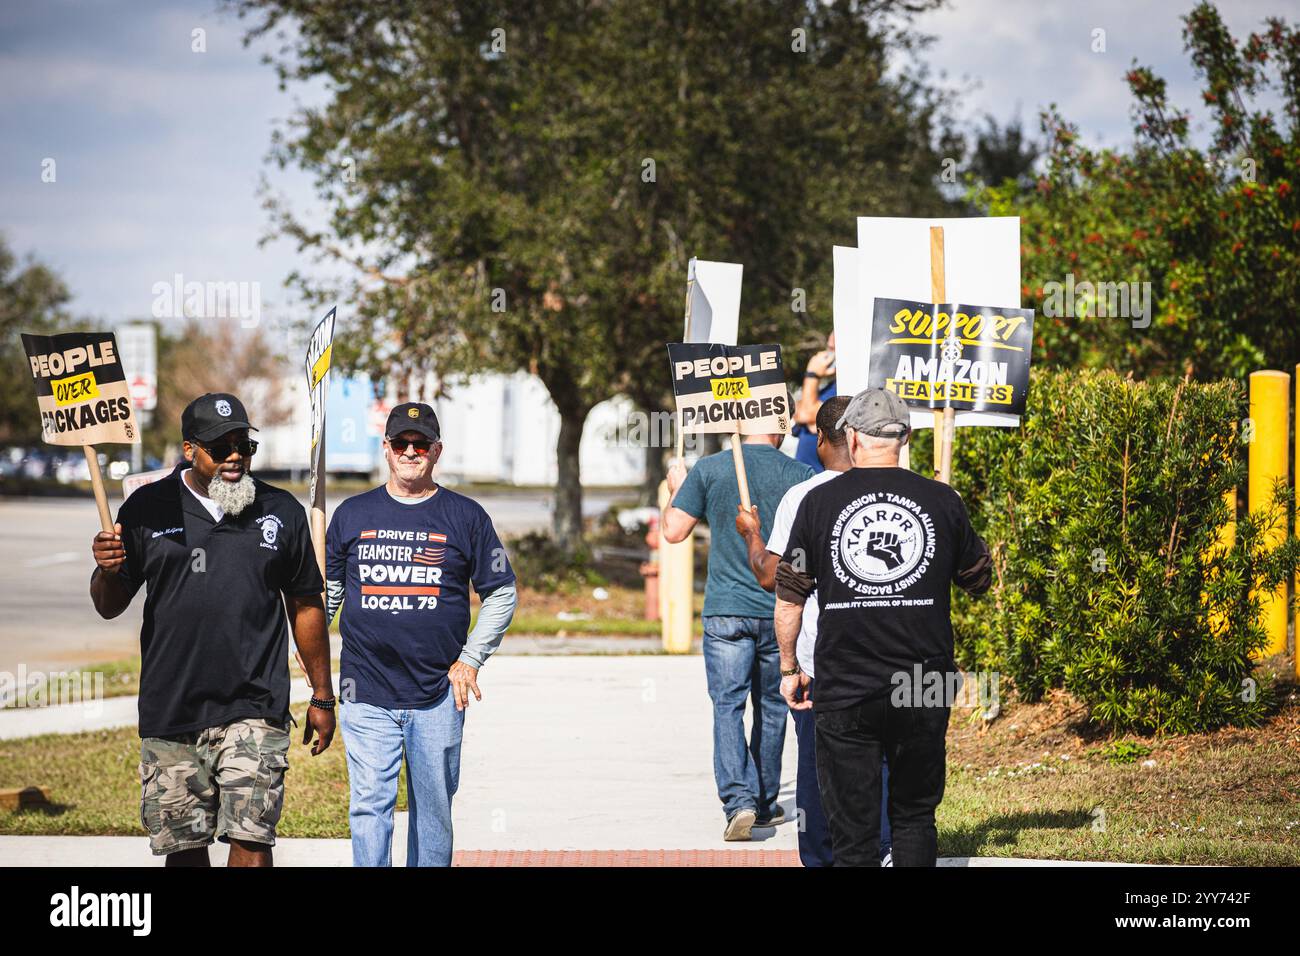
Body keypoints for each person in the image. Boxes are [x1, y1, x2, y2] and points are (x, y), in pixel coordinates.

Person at [90, 392, 335, 867]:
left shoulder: (279, 510)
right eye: (220, 447)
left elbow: (305, 604)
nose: (235, 457)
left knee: (252, 839)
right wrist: (106, 568)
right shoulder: (146, 508)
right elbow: (109, 604)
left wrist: (322, 696)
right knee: (183, 850)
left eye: (243, 444)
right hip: (172, 706)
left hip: (254, 704)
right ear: (189, 450)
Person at [774, 388, 992, 866]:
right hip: (924, 684)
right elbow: (979, 579)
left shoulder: (817, 502)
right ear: (906, 437)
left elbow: (789, 596)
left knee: (852, 828)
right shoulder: (942, 499)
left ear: (851, 438)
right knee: (915, 816)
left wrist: (789, 667)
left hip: (845, 683)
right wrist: (949, 523)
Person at [326, 402, 517, 867]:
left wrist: (471, 659)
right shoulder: (351, 514)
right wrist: (294, 642)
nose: (411, 452)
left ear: (437, 451)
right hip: (365, 689)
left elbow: (501, 592)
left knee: (433, 812)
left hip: (438, 694)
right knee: (370, 805)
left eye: (421, 444)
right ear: (386, 449)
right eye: (401, 443)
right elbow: (325, 598)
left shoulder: (466, 516)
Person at [735, 395, 892, 867]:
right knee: (884, 764)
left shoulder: (805, 497)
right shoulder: (899, 492)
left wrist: (752, 535)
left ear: (823, 440)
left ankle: (823, 857)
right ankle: (884, 851)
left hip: (823, 662)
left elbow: (775, 579)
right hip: (891, 658)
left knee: (820, 769)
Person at [662, 430, 813, 840]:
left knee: (727, 706)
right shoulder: (800, 474)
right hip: (780, 610)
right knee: (774, 706)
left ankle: (738, 802)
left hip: (725, 610)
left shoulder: (709, 469)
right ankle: (764, 803)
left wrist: (676, 491)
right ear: (780, 423)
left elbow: (673, 532)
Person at [791, 332, 836, 473]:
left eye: (834, 349)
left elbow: (805, 414)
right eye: (829, 347)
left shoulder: (846, 387)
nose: (827, 354)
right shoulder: (831, 386)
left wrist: (812, 374)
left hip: (822, 482)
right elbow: (797, 413)